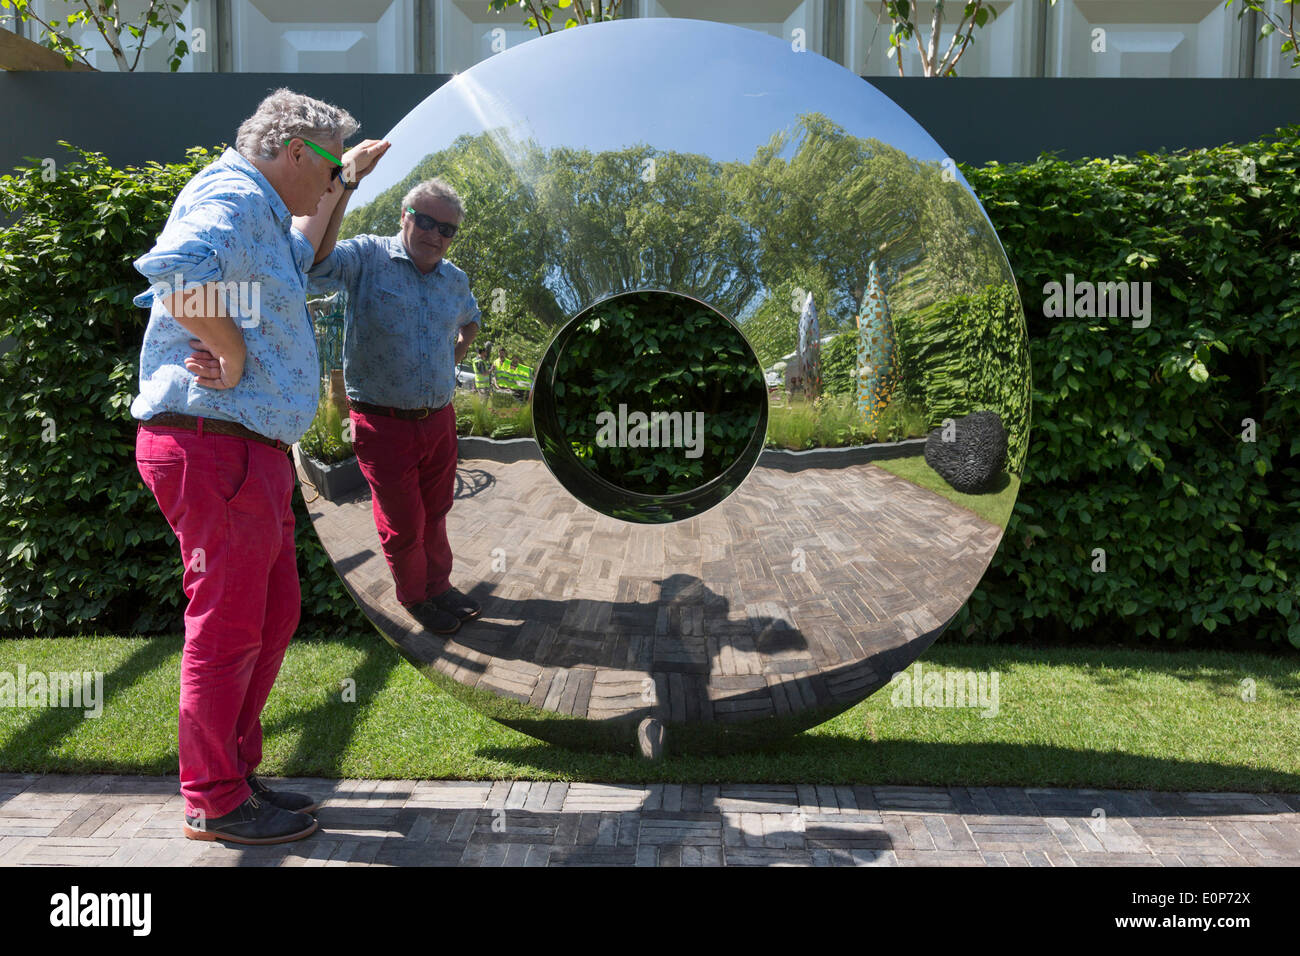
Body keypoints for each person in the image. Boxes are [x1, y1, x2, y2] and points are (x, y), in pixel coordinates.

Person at [132, 88, 382, 845]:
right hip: (216, 442)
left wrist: (353, 180)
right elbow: (175, 273)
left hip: (246, 448)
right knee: (231, 625)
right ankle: (213, 798)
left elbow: (310, 247)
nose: (330, 183)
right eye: (330, 167)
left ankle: (233, 776)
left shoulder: (267, 216)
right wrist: (234, 352)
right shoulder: (231, 196)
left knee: (270, 619)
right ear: (298, 151)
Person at [297, 174, 482, 636]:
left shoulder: (454, 279)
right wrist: (342, 185)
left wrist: (448, 364)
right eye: (426, 221)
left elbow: (471, 323)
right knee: (403, 523)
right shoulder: (367, 257)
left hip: (438, 419)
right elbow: (315, 265)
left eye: (447, 229)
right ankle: (416, 598)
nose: (436, 235)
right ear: (405, 217)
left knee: (436, 512)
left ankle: (439, 586)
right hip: (383, 424)